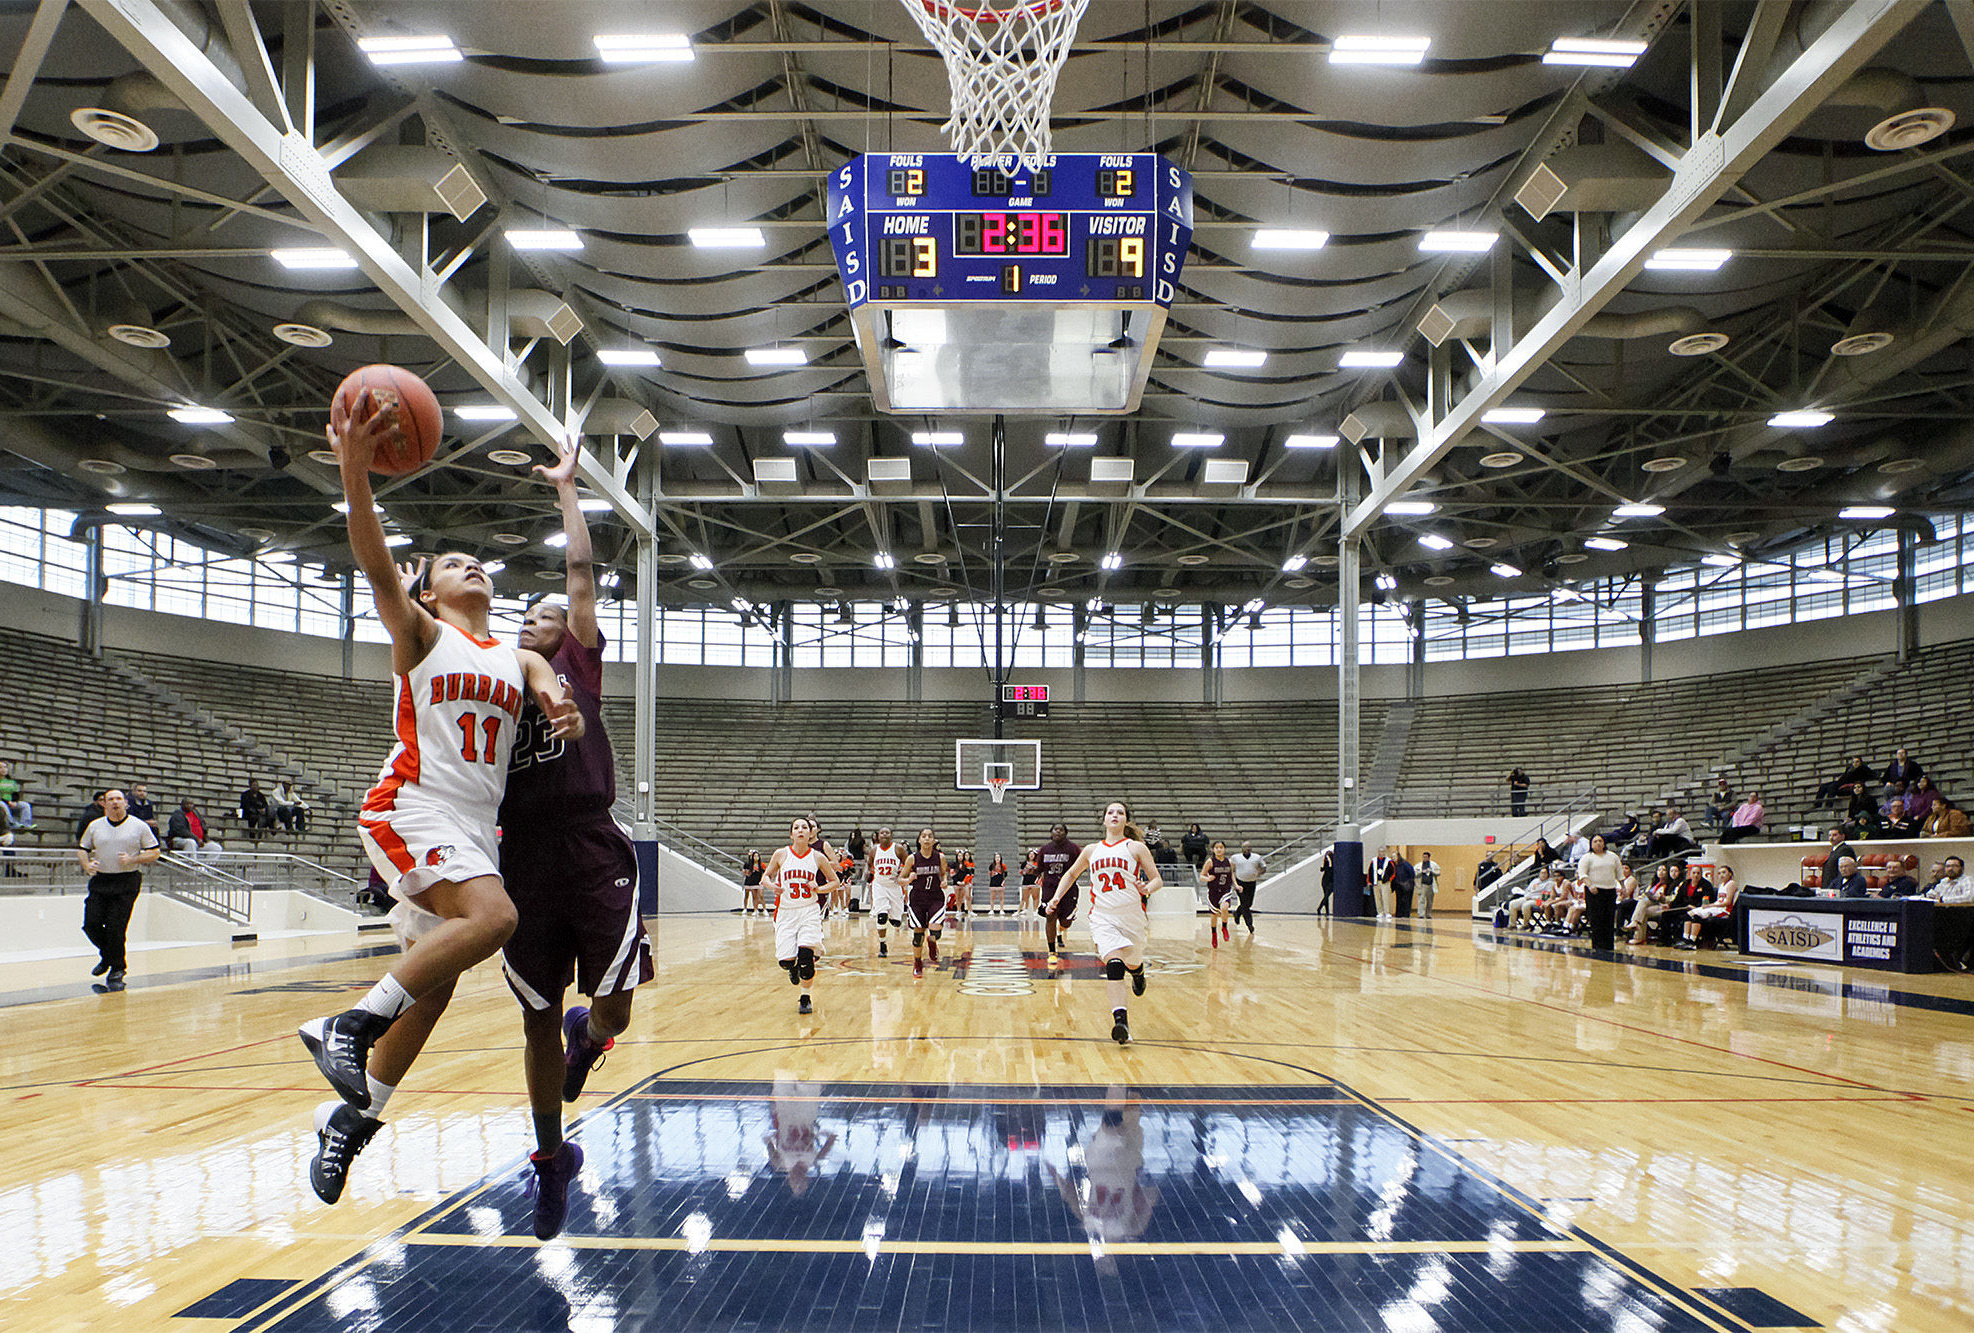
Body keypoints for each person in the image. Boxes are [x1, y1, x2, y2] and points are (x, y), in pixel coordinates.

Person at [298, 393, 582, 1212]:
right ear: (426, 592)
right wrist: (355, 469)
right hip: (411, 801)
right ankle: (348, 1025)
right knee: (495, 921)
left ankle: (351, 1116)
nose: (473, 567)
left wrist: (559, 702)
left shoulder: (512, 654)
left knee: (440, 983)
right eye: (453, 564)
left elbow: (545, 680)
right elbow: (375, 560)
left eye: (479, 562)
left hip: (470, 828)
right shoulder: (422, 635)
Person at [493, 438, 658, 1239]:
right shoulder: (494, 682)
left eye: (548, 615)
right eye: (524, 617)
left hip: (593, 843)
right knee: (532, 1016)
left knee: (615, 1004)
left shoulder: (581, 666)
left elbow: (582, 573)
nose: (537, 621)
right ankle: (551, 1160)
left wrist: (568, 489)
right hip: (522, 853)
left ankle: (588, 1040)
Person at [1047, 801, 1163, 1046]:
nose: (1114, 815)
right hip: (1103, 916)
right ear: (1104, 820)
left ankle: (1139, 971)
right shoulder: (1091, 850)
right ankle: (1121, 1022)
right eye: (1110, 812)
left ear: (1125, 821)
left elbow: (1156, 880)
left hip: (1132, 916)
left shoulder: (1136, 848)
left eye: (1120, 812)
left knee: (1131, 960)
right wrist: (1055, 898)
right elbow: (1070, 874)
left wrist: (1146, 888)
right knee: (1114, 964)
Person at [76, 788, 161, 987]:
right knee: (91, 925)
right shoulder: (95, 825)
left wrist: (133, 859)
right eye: (110, 799)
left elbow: (154, 852)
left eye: (119, 799)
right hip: (101, 881)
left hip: (127, 881)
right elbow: (82, 849)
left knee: (116, 927)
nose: (115, 802)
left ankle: (117, 968)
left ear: (126, 803)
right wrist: (87, 864)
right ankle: (108, 957)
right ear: (104, 804)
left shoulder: (138, 826)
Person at [764, 817, 839, 1014]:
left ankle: (805, 998)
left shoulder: (818, 857)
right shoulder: (781, 854)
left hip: (808, 910)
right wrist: (771, 886)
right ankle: (792, 968)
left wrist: (820, 888)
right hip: (786, 912)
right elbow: (765, 876)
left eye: (804, 827)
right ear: (791, 834)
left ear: (810, 833)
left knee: (806, 958)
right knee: (785, 961)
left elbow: (835, 881)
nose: (800, 830)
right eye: (796, 827)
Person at [905, 827, 951, 980]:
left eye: (929, 836)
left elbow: (944, 874)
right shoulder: (912, 859)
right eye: (923, 836)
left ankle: (932, 941)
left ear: (933, 840)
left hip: (935, 898)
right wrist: (908, 879)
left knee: (935, 931)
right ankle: (917, 964)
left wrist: (945, 881)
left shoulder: (940, 857)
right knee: (918, 936)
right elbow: (900, 879)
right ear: (919, 840)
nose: (926, 839)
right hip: (917, 899)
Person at [1031, 823, 1080, 968]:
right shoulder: (1045, 849)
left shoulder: (1074, 849)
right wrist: (1032, 871)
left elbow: (1081, 866)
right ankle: (1052, 951)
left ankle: (1061, 930)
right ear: (1051, 832)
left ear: (1066, 833)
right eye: (1055, 829)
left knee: (1066, 922)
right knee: (1050, 916)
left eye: (1061, 829)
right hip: (1050, 889)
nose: (1058, 832)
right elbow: (1039, 869)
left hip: (1069, 890)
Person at [1924, 856, 1974, 972]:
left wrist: (1943, 899)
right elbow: (1931, 894)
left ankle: (1959, 961)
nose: (1950, 869)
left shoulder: (1967, 880)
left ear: (1961, 868)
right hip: (1943, 914)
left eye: (1954, 866)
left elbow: (1968, 897)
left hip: (1963, 915)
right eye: (1948, 866)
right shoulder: (1944, 882)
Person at [1578, 834, 1623, 950]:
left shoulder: (1613, 856)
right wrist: (1590, 885)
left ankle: (1609, 946)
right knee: (1596, 919)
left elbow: (1619, 873)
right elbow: (1582, 874)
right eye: (1595, 841)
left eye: (1600, 841)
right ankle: (1597, 946)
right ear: (1591, 844)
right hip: (1594, 892)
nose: (1598, 843)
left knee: (1608, 919)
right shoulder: (1587, 857)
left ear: (1604, 843)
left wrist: (1623, 887)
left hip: (1609, 890)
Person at [866, 828, 904, 958]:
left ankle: (895, 919)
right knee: (881, 917)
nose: (884, 835)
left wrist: (903, 876)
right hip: (880, 885)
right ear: (878, 836)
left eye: (887, 833)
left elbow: (909, 863)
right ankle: (883, 946)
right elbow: (869, 864)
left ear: (891, 836)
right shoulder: (874, 850)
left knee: (897, 921)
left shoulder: (898, 849)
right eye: (882, 833)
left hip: (894, 886)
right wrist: (868, 874)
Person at [1682, 869, 1739, 950]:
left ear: (1730, 874)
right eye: (1719, 873)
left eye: (1724, 872)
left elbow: (1728, 902)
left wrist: (1710, 905)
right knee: (1690, 913)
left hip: (1724, 910)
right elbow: (1718, 901)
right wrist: (1709, 905)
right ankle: (1686, 939)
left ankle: (1693, 942)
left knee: (1698, 915)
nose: (1721, 875)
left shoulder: (1731, 884)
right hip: (1716, 907)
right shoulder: (1721, 885)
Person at [1627, 866, 1676, 946]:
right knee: (1643, 906)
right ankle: (1637, 929)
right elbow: (1646, 893)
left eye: (1663, 870)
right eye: (1659, 869)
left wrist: (1662, 898)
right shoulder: (1654, 883)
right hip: (1651, 903)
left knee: (1642, 910)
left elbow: (1672, 898)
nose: (1661, 872)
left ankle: (1638, 935)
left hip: (1662, 905)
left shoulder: (1670, 884)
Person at [1202, 840, 1235, 948]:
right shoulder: (1210, 862)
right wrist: (1208, 878)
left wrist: (1236, 885)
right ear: (1213, 850)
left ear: (1224, 849)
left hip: (1225, 890)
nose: (1219, 849)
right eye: (1216, 847)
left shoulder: (1229, 862)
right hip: (1213, 891)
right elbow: (1201, 876)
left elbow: (1232, 875)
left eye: (1221, 847)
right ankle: (1214, 934)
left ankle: (1224, 927)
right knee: (1214, 915)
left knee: (1224, 907)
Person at [1229, 840, 1265, 933]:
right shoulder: (1235, 857)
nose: (1247, 849)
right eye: (1245, 847)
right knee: (1245, 904)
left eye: (1249, 847)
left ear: (1251, 848)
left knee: (1249, 904)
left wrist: (1259, 872)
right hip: (1240, 883)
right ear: (1242, 848)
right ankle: (1250, 925)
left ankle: (1237, 913)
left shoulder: (1257, 857)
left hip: (1251, 883)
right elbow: (1232, 871)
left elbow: (1264, 867)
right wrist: (1235, 884)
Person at [0, 760, 31, 828]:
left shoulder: (11, 781)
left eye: (5, 767)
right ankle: (12, 824)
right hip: (2, 804)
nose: (3, 769)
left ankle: (26, 825)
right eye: (0, 767)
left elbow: (15, 794)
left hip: (10, 803)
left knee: (25, 805)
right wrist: (8, 802)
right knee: (1, 804)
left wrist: (14, 802)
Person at [1369, 846, 1395, 920]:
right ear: (1378, 852)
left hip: (1385, 882)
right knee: (1377, 897)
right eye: (1380, 851)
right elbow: (1370, 871)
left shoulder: (1389, 861)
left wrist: (1389, 879)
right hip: (1376, 882)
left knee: (1385, 897)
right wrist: (1369, 881)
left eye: (1383, 851)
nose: (1382, 853)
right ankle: (1380, 912)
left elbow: (1393, 872)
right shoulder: (1373, 861)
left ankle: (1387, 912)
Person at [1389, 851, 1416, 919]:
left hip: (1407, 886)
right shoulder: (1394, 865)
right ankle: (1399, 914)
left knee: (1406, 901)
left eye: (1394, 856)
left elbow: (1412, 875)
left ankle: (1405, 915)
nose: (1393, 858)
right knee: (1399, 901)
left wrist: (1408, 884)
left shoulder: (1406, 865)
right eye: (1392, 857)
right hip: (1398, 886)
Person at [1414, 851, 1439, 919]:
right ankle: (1421, 914)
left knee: (1430, 901)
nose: (1424, 858)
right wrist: (1421, 872)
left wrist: (1432, 871)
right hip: (1422, 885)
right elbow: (1414, 874)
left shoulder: (1433, 865)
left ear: (1428, 858)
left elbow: (1438, 872)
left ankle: (1428, 914)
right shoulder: (1418, 865)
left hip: (1430, 885)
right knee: (1421, 900)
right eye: (1423, 857)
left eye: (1426, 857)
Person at [741, 850, 766, 915]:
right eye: (754, 856)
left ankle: (764, 909)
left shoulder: (761, 864)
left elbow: (764, 873)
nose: (756, 857)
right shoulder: (748, 864)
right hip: (750, 881)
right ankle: (747, 908)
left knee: (760, 895)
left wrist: (763, 880)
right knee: (748, 895)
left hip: (759, 882)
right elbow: (745, 872)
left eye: (757, 856)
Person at [1317, 846, 1335, 916]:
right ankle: (1319, 908)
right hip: (1329, 880)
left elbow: (1323, 869)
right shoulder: (1333, 860)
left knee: (1326, 896)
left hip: (1324, 879)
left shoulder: (1326, 860)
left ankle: (1326, 911)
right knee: (1326, 896)